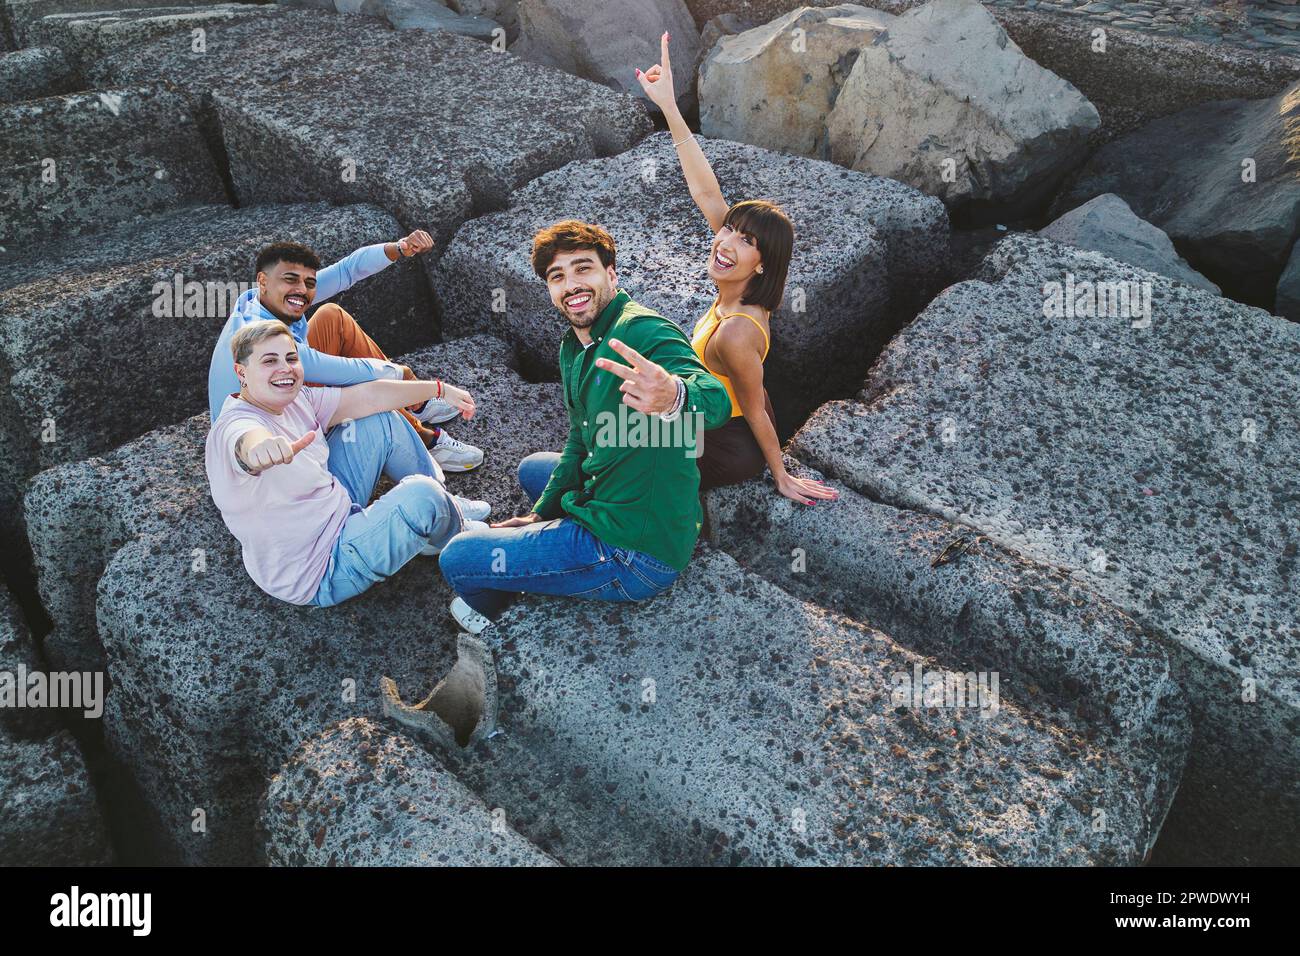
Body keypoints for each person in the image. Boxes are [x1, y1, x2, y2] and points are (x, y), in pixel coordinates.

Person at [437, 221, 732, 635]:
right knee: (533, 469)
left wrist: (674, 396)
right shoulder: (575, 345)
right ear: (550, 290)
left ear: (611, 274)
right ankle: (553, 539)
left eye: (583, 269)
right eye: (558, 277)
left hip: (634, 553)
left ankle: (501, 615)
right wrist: (538, 516)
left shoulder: (643, 331)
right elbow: (580, 439)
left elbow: (715, 397)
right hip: (625, 499)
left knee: (458, 559)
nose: (571, 284)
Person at [636, 32, 838, 506]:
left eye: (745, 241)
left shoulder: (737, 331)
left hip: (727, 443)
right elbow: (707, 194)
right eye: (729, 230)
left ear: (761, 261)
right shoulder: (739, 287)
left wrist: (781, 474)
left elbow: (753, 406)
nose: (724, 242)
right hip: (715, 412)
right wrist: (669, 107)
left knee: (616, 446)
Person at [205, 320, 483, 608]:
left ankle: (443, 513)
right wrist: (259, 450)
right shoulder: (234, 425)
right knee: (423, 497)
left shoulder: (296, 399)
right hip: (322, 566)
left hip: (334, 505)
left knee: (380, 418)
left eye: (291, 358)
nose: (285, 368)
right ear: (241, 373)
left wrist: (438, 389)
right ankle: (456, 539)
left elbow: (369, 396)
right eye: (269, 361)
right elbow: (245, 443)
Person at [206, 234, 484, 473]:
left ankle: (414, 403)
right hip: (270, 424)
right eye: (290, 280)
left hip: (280, 391)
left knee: (331, 316)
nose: (301, 290)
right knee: (362, 382)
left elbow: (346, 271)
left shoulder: (265, 298)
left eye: (309, 282)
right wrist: (400, 373)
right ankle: (421, 436)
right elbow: (334, 369)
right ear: (263, 280)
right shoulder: (260, 332)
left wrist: (400, 247)